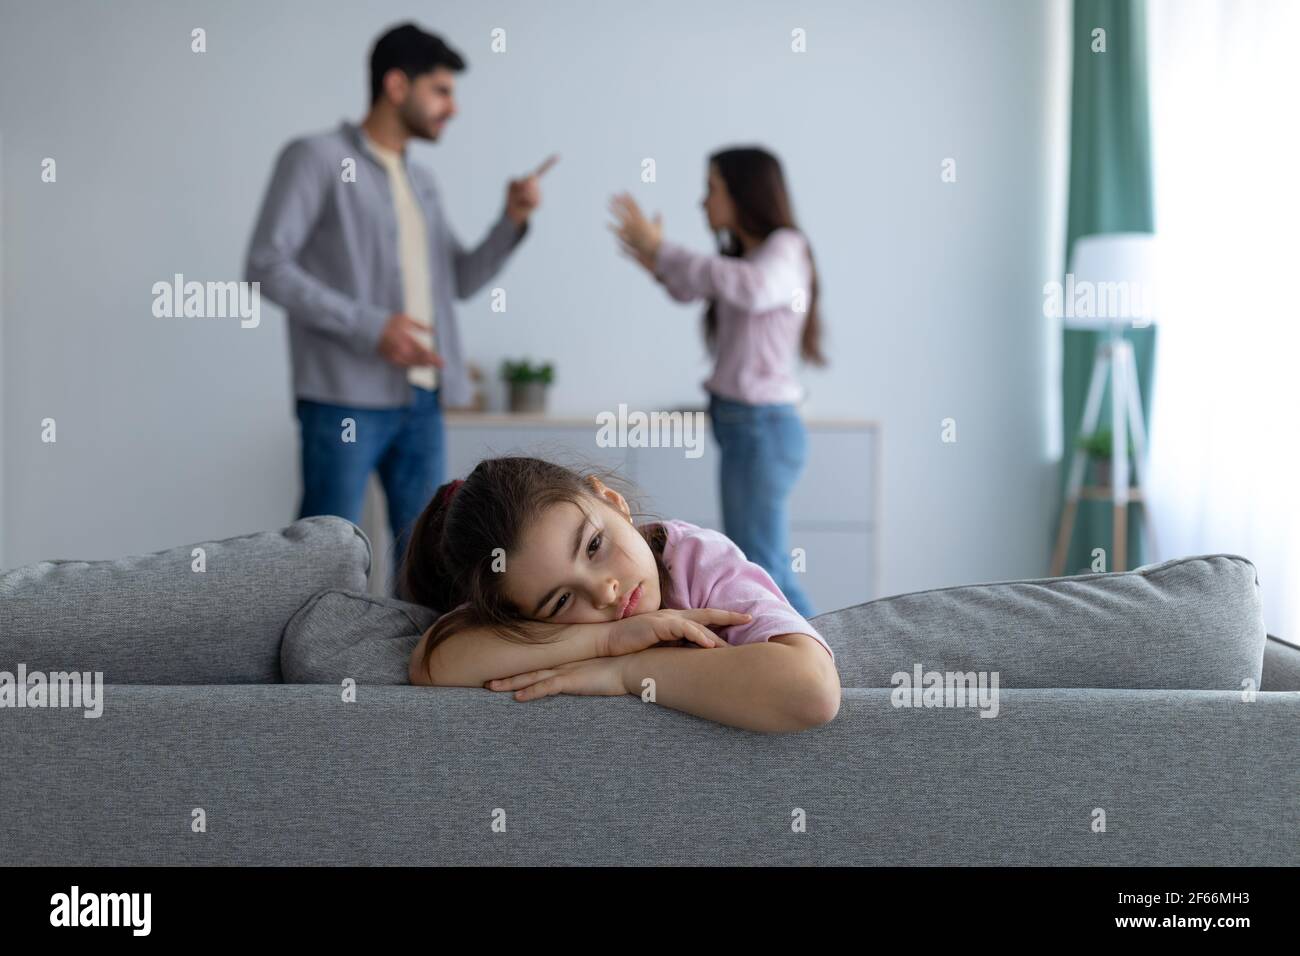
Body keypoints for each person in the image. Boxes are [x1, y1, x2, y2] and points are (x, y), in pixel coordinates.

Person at [244, 22, 553, 594]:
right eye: (441, 91)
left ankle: (405, 678)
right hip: (342, 397)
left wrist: (512, 220)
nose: (452, 108)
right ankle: (305, 682)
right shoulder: (315, 158)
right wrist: (370, 327)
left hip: (422, 400)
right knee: (322, 556)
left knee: (425, 564)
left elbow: (457, 280)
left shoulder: (422, 181)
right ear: (395, 85)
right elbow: (266, 265)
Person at [403, 456, 841, 734]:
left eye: (594, 546)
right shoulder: (526, 597)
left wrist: (629, 670)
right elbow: (433, 663)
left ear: (612, 501)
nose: (603, 591)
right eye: (561, 600)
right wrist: (606, 640)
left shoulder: (697, 560)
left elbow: (812, 690)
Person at [607, 147, 827, 617]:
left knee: (765, 567)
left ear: (743, 193)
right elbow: (696, 287)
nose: (701, 202)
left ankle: (819, 662)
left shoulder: (784, 248)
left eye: (711, 189)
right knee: (763, 562)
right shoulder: (748, 258)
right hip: (744, 427)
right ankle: (809, 660)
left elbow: (752, 288)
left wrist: (663, 249)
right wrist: (656, 260)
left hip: (761, 427)